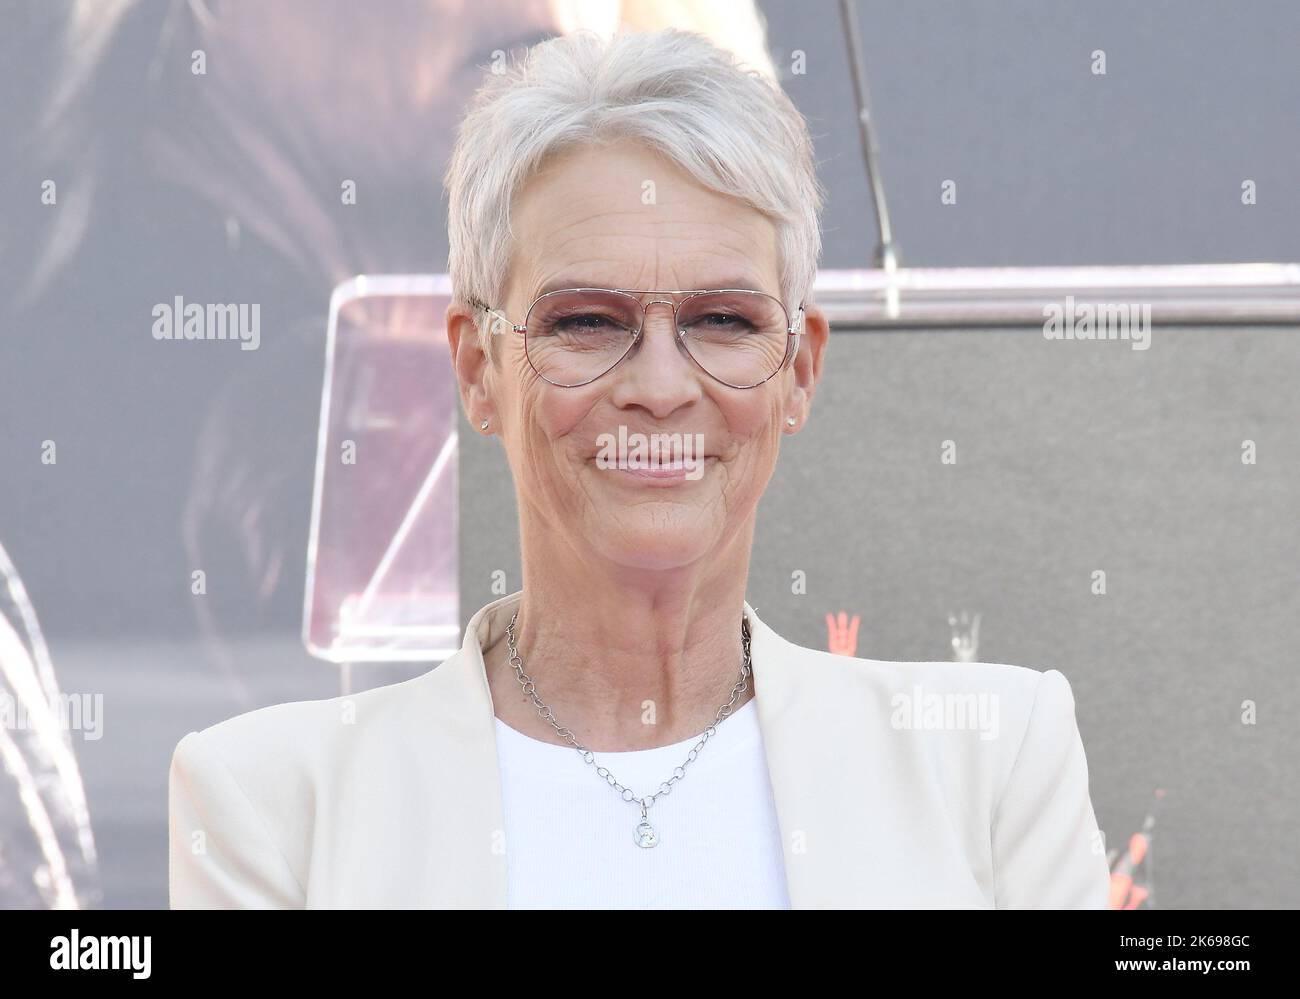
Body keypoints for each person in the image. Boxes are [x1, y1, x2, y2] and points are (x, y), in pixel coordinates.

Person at [169, 27, 1110, 909]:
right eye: (587, 320)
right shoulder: (274, 805)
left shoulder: (993, 763)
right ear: (475, 368)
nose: (660, 386)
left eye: (723, 321)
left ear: (801, 369)